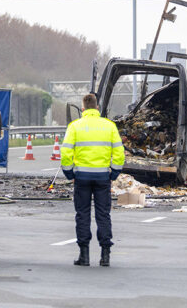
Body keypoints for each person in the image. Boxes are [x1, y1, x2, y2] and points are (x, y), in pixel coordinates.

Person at [61, 93, 125, 267]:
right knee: (103, 214)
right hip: (103, 177)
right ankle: (105, 255)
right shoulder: (109, 126)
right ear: (97, 108)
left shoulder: (75, 126)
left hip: (81, 177)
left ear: (83, 109)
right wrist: (114, 172)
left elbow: (66, 152)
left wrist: (69, 173)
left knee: (82, 214)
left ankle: (84, 255)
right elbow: (119, 152)